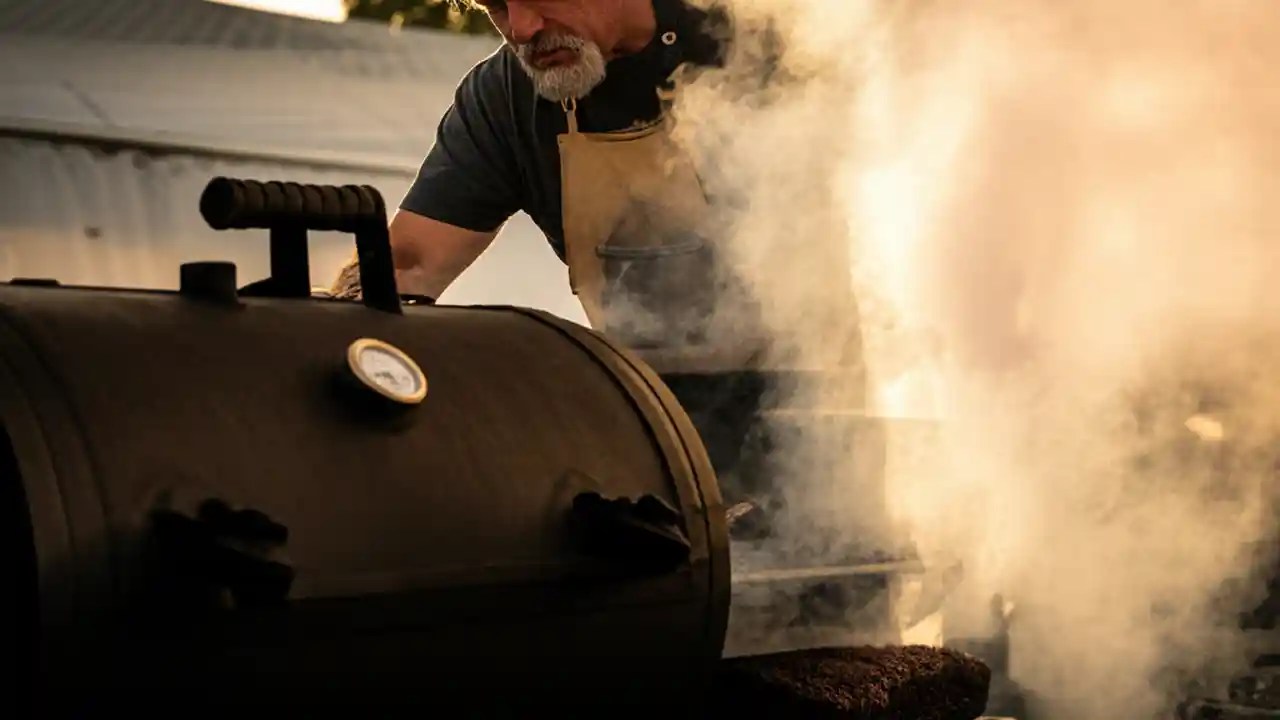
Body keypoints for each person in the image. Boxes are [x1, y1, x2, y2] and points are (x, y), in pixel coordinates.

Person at [330, 0, 737, 351]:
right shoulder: (506, 98)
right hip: (647, 414)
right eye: (496, 7)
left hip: (795, 403)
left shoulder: (763, 43)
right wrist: (325, 326)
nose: (522, 30)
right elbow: (406, 265)